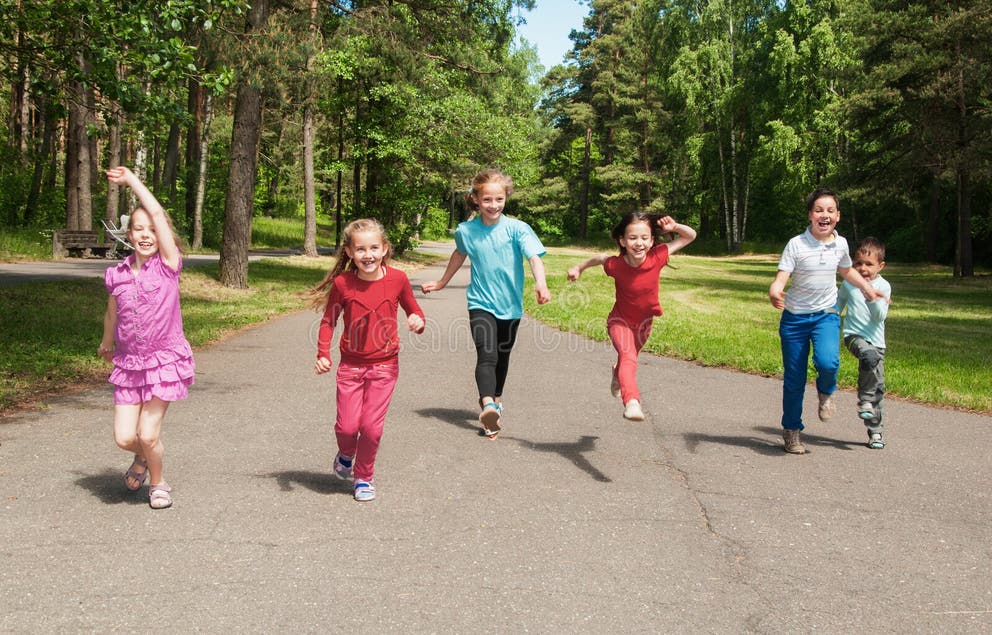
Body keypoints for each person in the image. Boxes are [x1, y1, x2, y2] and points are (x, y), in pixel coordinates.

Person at [421, 169, 551, 439]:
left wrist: (541, 283)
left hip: (511, 306)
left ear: (506, 199)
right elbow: (460, 254)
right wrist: (442, 282)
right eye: (488, 199)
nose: (494, 205)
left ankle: (496, 403)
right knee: (488, 354)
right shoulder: (466, 231)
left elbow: (534, 257)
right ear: (476, 199)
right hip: (480, 302)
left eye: (499, 199)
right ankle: (488, 405)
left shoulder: (517, 228)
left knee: (502, 358)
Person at [99, 166, 195, 509]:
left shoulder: (169, 265)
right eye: (138, 229)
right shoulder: (117, 274)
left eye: (153, 229)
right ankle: (141, 458)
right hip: (129, 364)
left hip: (165, 361)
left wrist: (132, 181)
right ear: (129, 233)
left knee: (148, 434)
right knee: (126, 437)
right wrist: (107, 341)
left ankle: (158, 482)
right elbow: (113, 311)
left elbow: (155, 211)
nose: (146, 234)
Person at [309, 218, 425, 502]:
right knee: (347, 427)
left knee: (371, 429)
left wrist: (417, 320)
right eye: (360, 249)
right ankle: (346, 453)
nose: (368, 255)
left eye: (374, 248)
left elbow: (415, 310)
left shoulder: (397, 279)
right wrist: (323, 353)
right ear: (349, 252)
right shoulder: (343, 283)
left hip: (385, 365)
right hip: (350, 366)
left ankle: (363, 477)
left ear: (384, 248)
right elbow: (328, 320)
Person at [768, 188, 884, 454]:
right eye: (819, 210)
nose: (825, 215)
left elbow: (845, 270)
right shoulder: (796, 244)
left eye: (830, 210)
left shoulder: (841, 244)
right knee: (794, 378)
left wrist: (866, 289)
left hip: (825, 315)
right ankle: (792, 431)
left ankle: (826, 392)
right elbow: (782, 276)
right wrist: (775, 290)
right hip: (795, 319)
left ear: (838, 216)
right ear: (810, 215)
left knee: (828, 362)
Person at [567, 213, 696, 421]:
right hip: (619, 322)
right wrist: (579, 268)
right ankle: (632, 402)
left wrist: (675, 227)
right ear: (623, 241)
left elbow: (690, 236)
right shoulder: (616, 265)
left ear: (652, 240)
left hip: (645, 325)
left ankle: (617, 373)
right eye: (633, 238)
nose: (639, 243)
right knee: (629, 358)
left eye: (645, 238)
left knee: (627, 360)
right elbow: (599, 258)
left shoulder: (658, 256)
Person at [837, 237, 891, 449]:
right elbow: (837, 304)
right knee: (867, 355)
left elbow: (879, 317)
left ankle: (875, 432)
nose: (862, 268)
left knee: (878, 388)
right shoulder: (849, 283)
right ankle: (864, 400)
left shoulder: (884, 286)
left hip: (877, 343)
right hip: (854, 337)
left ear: (880, 265)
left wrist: (871, 298)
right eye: (858, 263)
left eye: (869, 264)